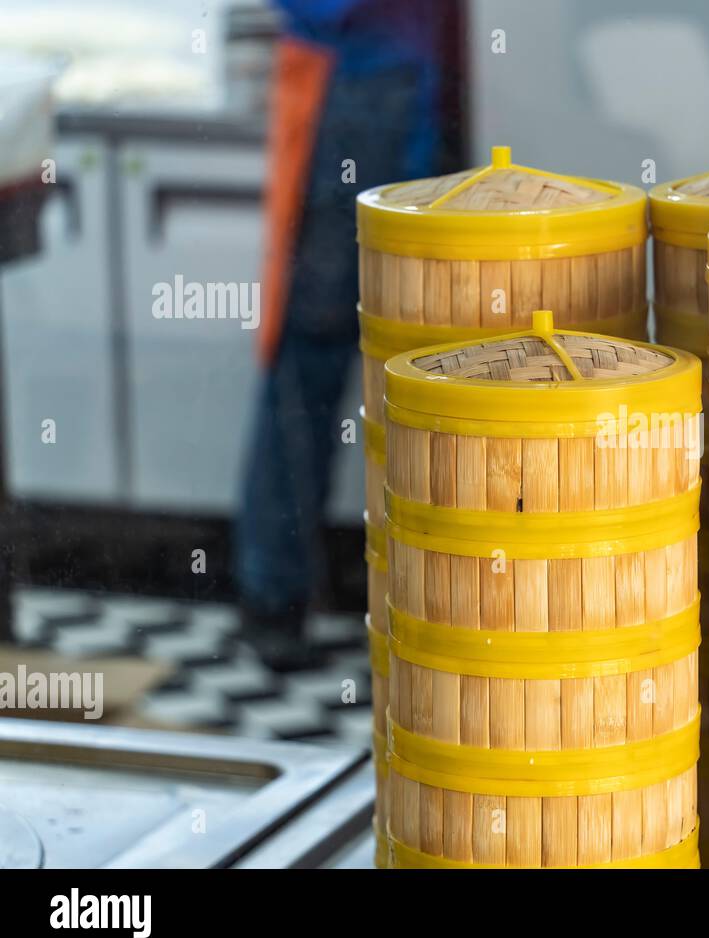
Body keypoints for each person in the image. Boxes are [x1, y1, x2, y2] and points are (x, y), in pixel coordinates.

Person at [235, 0, 456, 671]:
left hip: (423, 90)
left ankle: (432, 607)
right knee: (310, 359)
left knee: (442, 373)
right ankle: (275, 596)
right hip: (357, 95)